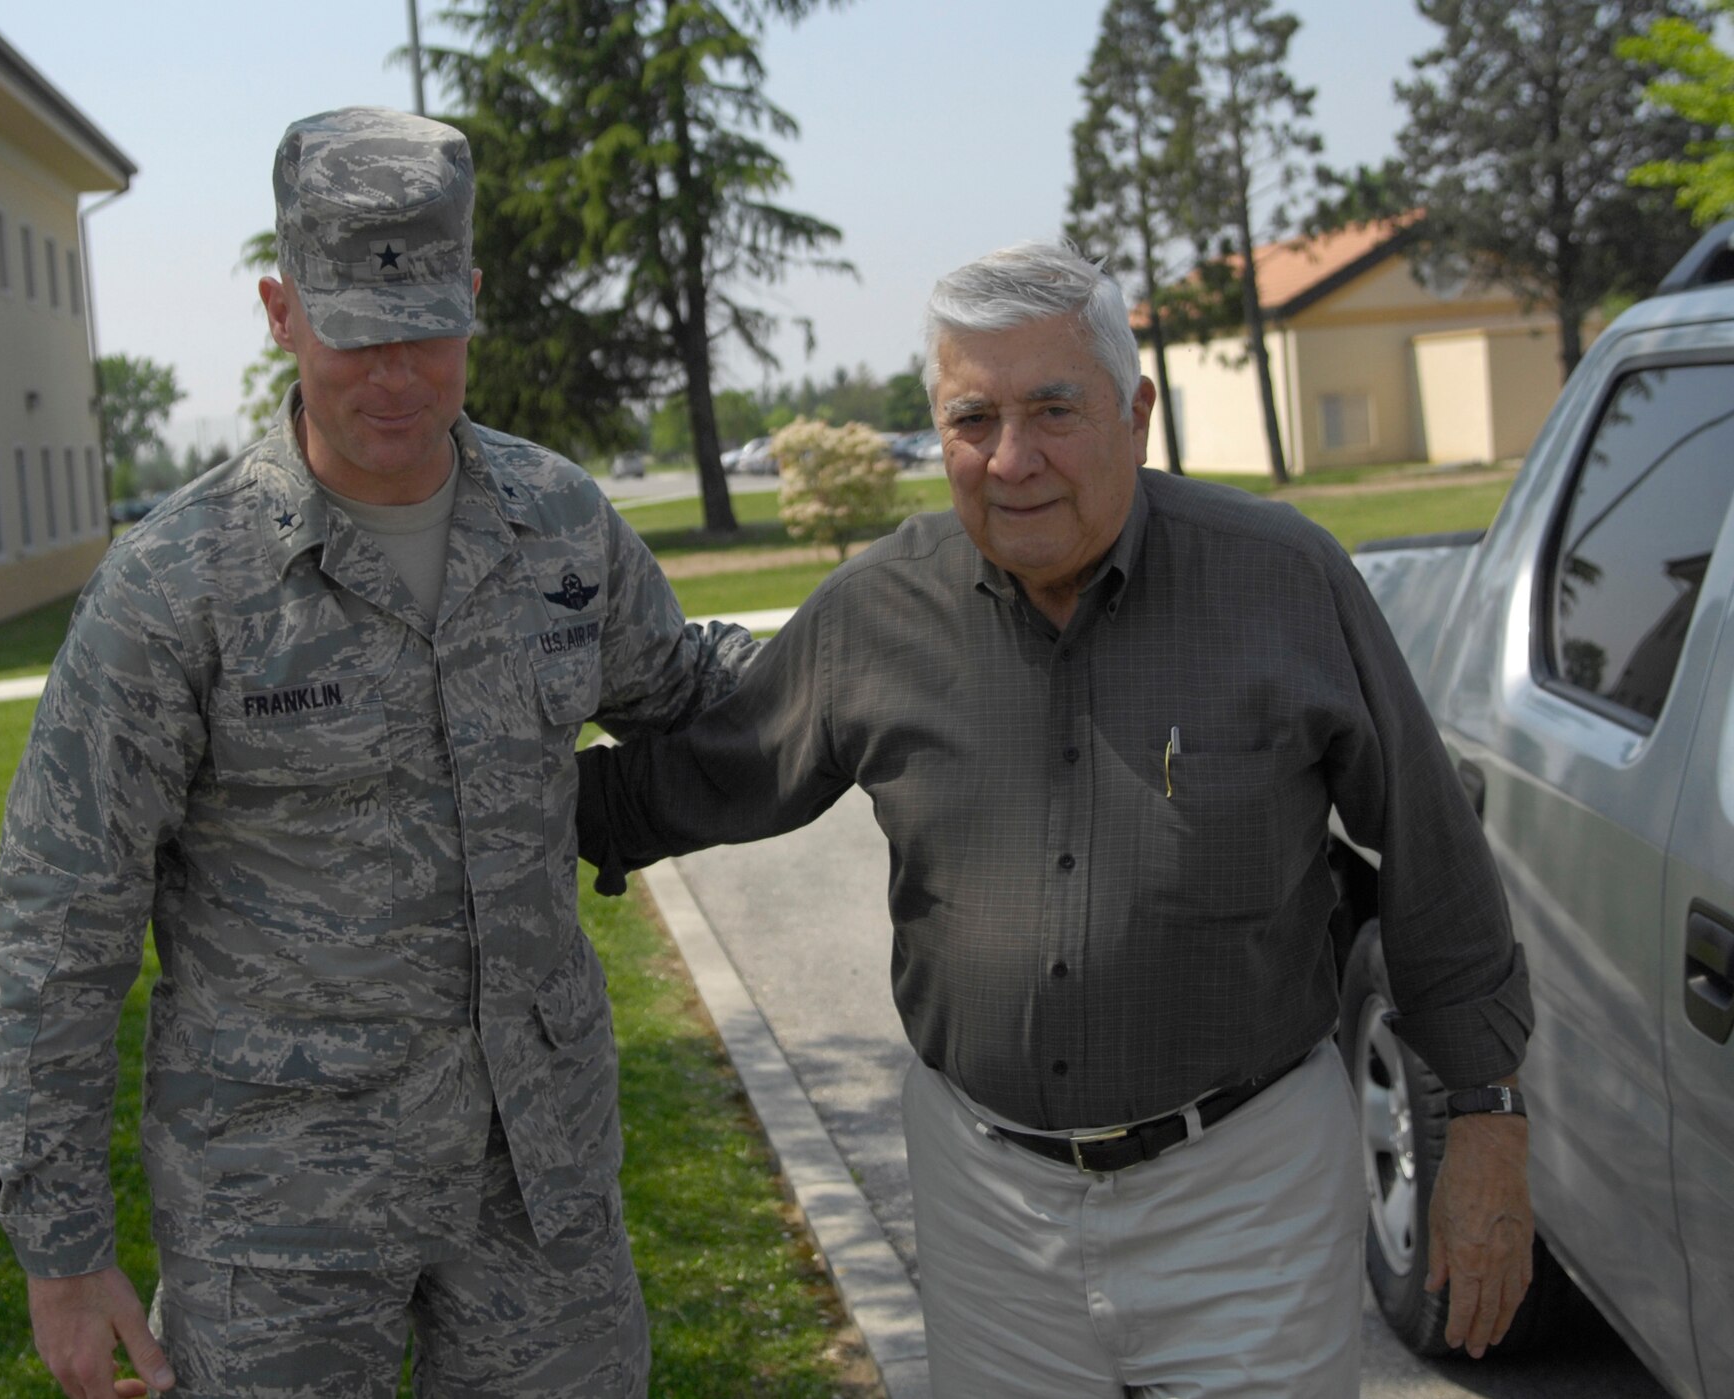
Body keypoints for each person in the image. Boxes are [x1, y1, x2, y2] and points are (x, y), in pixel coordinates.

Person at [577, 240, 1536, 1396]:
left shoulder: (1283, 582)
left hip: (1245, 1188)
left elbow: (1431, 850)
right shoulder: (877, 612)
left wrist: (1481, 1117)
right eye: (971, 419)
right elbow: (711, 772)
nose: (1011, 459)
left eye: (1051, 409)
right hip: (987, 1205)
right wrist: (480, 809)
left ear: (1135, 414)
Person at [0, 106, 755, 1399]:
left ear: (474, 301)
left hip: (537, 1191)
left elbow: (689, 688)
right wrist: (59, 1244)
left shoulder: (558, 525)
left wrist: (886, 638)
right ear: (282, 312)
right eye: (355, 330)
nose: (395, 373)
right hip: (279, 1215)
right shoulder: (178, 586)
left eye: (427, 327)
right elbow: (63, 908)